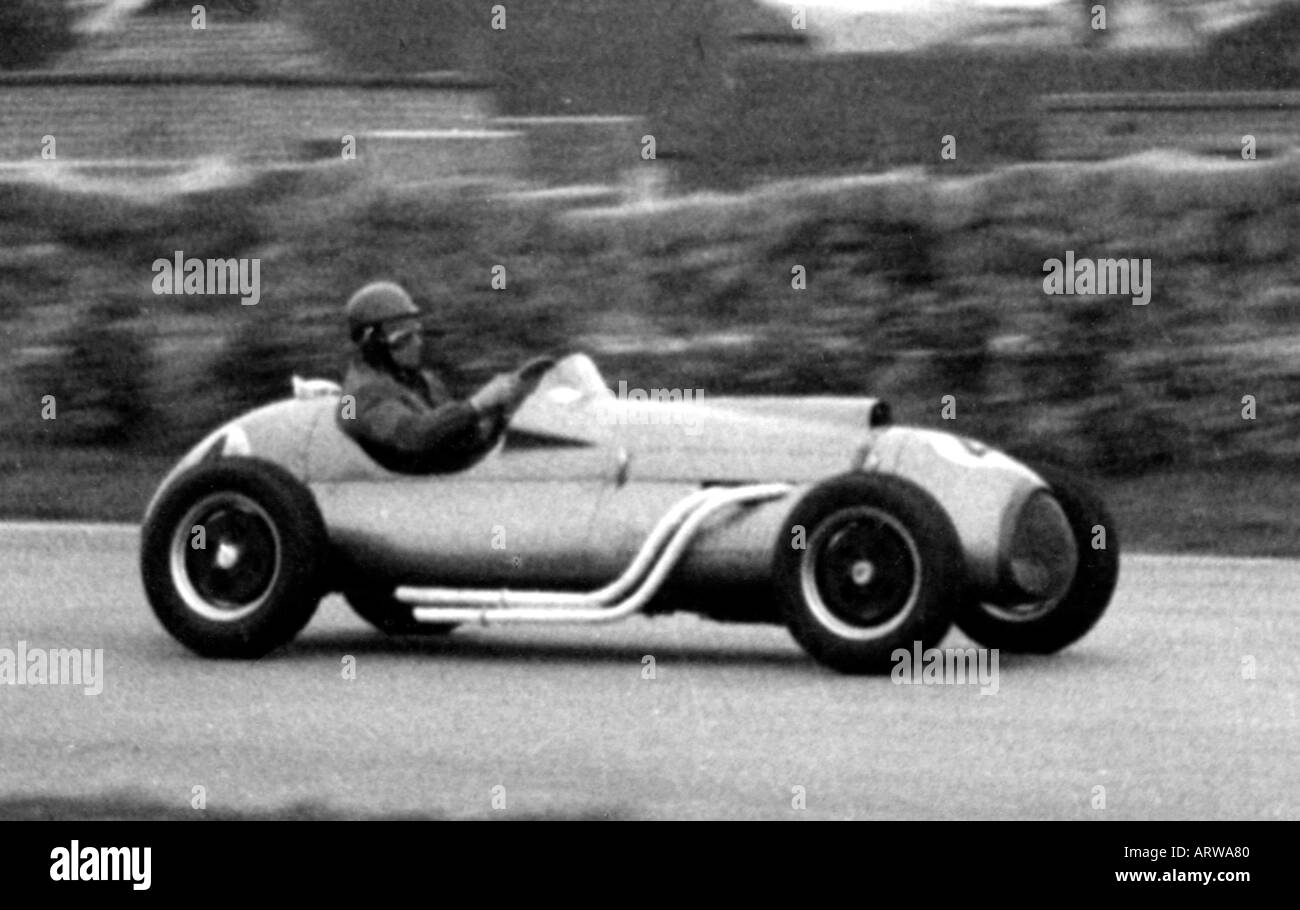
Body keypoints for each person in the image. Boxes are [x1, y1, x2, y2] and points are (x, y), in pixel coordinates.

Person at [337, 281, 534, 473]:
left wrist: (502, 414)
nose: (417, 343)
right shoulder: (359, 395)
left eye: (416, 332)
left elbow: (461, 440)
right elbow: (412, 435)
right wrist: (477, 405)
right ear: (374, 344)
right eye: (403, 336)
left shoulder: (424, 381)